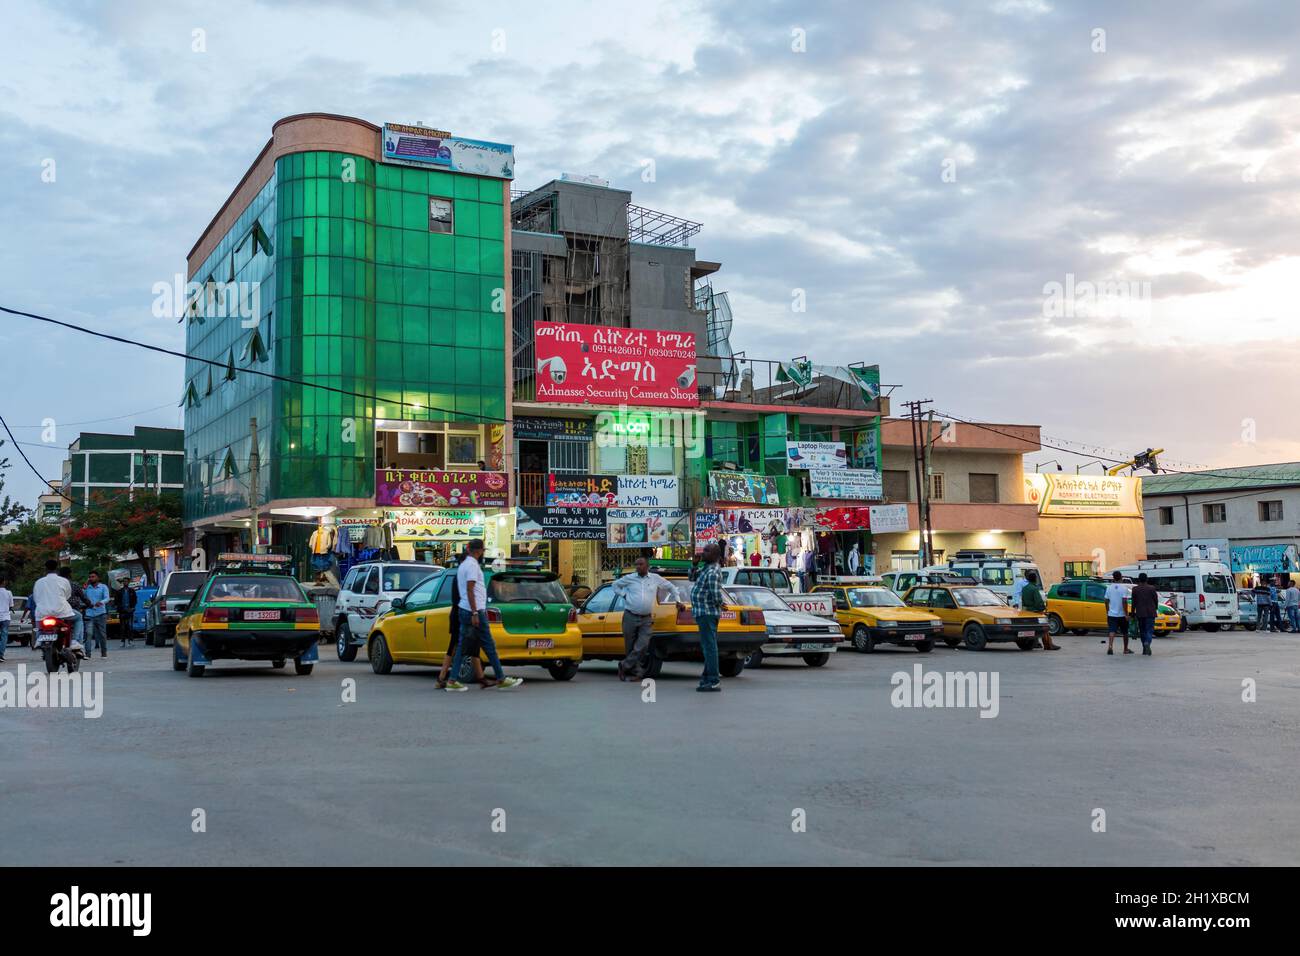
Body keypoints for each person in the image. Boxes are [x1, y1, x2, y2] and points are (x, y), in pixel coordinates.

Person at [445, 538, 522, 692]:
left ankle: (452, 680)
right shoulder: (472, 566)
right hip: (474, 611)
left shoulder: (464, 565)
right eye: (482, 551)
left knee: (462, 646)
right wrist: (474, 612)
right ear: (479, 551)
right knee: (489, 645)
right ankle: (500, 678)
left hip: (465, 609)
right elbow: (470, 589)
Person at [613, 556, 683, 681]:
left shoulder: (655, 578)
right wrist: (624, 595)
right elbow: (615, 585)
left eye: (641, 564)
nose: (638, 567)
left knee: (643, 645)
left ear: (647, 566)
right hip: (630, 615)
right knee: (630, 646)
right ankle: (637, 673)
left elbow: (671, 587)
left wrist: (678, 600)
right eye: (637, 564)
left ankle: (624, 665)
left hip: (646, 618)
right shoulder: (630, 578)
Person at [435, 552, 489, 690]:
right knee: (456, 646)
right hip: (463, 614)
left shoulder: (459, 576)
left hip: (459, 613)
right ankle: (442, 678)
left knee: (471, 646)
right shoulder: (463, 577)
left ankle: (481, 678)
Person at [691, 542, 725, 692]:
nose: (702, 553)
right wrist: (694, 565)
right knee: (707, 647)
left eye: (706, 551)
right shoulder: (706, 568)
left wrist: (720, 604)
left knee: (710, 647)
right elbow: (692, 578)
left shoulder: (712, 572)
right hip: (702, 612)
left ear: (715, 555)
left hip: (707, 612)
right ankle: (706, 678)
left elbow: (716, 595)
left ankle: (713, 679)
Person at [32, 560, 79, 651]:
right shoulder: (64, 581)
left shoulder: (38, 582)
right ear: (57, 568)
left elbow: (36, 598)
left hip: (43, 612)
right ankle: (74, 640)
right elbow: (67, 596)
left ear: (45, 569)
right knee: (79, 618)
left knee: (39, 621)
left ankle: (39, 638)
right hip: (61, 611)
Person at [1019, 577, 1059, 650]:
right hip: (1036, 611)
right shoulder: (1034, 589)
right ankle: (1048, 645)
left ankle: (1035, 643)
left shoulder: (1024, 588)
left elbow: (1023, 600)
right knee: (1044, 627)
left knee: (1031, 628)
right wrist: (1043, 609)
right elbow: (1038, 601)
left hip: (1027, 610)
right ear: (1035, 580)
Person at [1130, 572, 1161, 656]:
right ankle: (1147, 643)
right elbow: (1156, 600)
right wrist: (1156, 608)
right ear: (1147, 579)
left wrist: (1132, 612)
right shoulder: (1152, 588)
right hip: (1150, 613)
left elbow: (1134, 602)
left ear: (1139, 579)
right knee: (1149, 630)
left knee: (1142, 631)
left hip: (1140, 613)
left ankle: (1144, 648)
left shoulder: (1135, 589)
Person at [82, 570, 110, 659]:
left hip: (101, 613)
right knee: (88, 634)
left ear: (98, 578)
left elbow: (107, 598)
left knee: (102, 634)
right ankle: (87, 654)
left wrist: (101, 602)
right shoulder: (87, 588)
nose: (91, 578)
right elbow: (82, 597)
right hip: (89, 614)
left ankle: (104, 653)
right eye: (90, 577)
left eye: (93, 576)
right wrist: (84, 587)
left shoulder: (103, 587)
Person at [59, 566, 88, 649]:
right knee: (79, 618)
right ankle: (76, 642)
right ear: (70, 574)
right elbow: (84, 598)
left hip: (54, 611)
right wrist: (90, 605)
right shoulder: (73, 585)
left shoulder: (55, 585)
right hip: (70, 611)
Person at [1104, 570, 1131, 656]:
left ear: (1113, 578)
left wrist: (1107, 610)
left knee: (1112, 631)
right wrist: (1126, 614)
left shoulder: (1109, 587)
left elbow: (1106, 600)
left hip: (1111, 614)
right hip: (1122, 615)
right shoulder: (1124, 588)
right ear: (1121, 577)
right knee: (1125, 632)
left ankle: (1110, 647)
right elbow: (1124, 601)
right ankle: (1125, 649)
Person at [117, 581, 138, 648]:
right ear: (123, 583)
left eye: (126, 581)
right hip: (122, 611)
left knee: (130, 627)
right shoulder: (119, 591)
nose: (125, 583)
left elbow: (135, 599)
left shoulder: (132, 591)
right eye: (124, 581)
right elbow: (116, 601)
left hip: (130, 611)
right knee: (122, 627)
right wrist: (120, 608)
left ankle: (130, 640)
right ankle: (122, 641)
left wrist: (132, 607)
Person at [0, 576, 12, 662]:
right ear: (4, 582)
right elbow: (11, 605)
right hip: (5, 617)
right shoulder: (8, 593)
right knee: (4, 636)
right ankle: (1, 655)